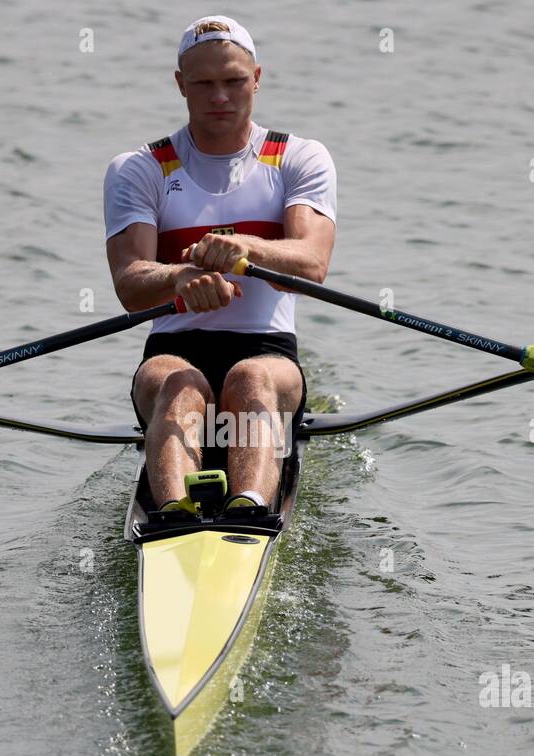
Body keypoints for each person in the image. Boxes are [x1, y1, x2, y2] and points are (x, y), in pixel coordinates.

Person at [103, 15, 336, 514]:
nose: (220, 97)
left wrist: (244, 250)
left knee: (249, 380)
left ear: (257, 77)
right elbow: (129, 282)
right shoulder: (141, 168)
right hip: (172, 348)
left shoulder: (298, 159)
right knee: (179, 384)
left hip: (268, 352)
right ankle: (173, 518)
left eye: (233, 81)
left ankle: (247, 509)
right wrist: (181, 279)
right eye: (204, 84)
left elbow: (313, 264)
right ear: (180, 84)